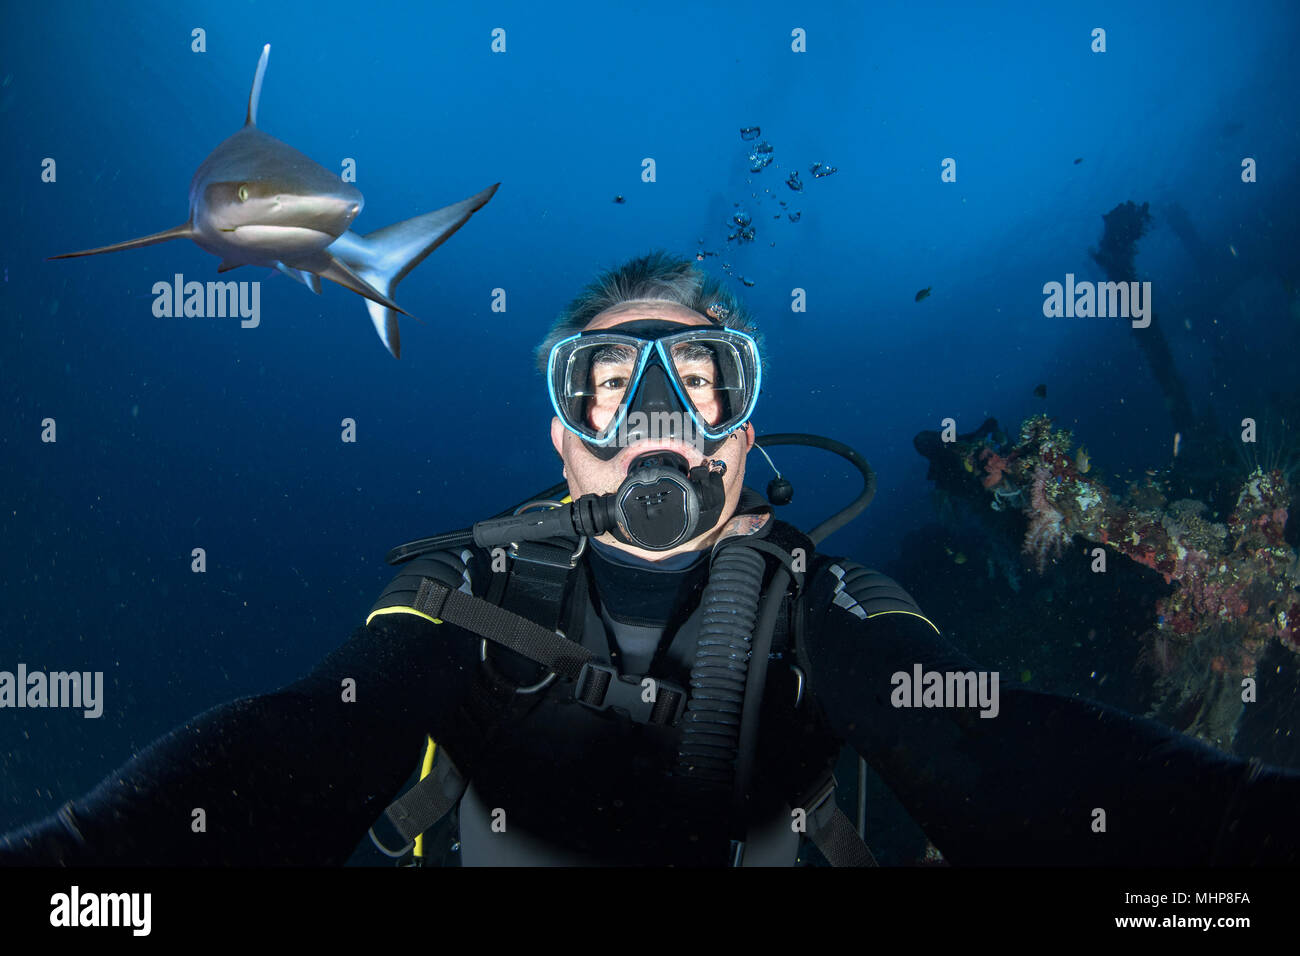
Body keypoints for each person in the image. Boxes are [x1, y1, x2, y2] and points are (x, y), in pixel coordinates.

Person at [2, 251, 1298, 867]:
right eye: (612, 387)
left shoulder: (826, 594)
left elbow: (973, 729)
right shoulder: (461, 586)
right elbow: (316, 735)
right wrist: (77, 873)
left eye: (701, 381)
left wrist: (1238, 846)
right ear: (563, 442)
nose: (657, 422)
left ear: (744, 434)